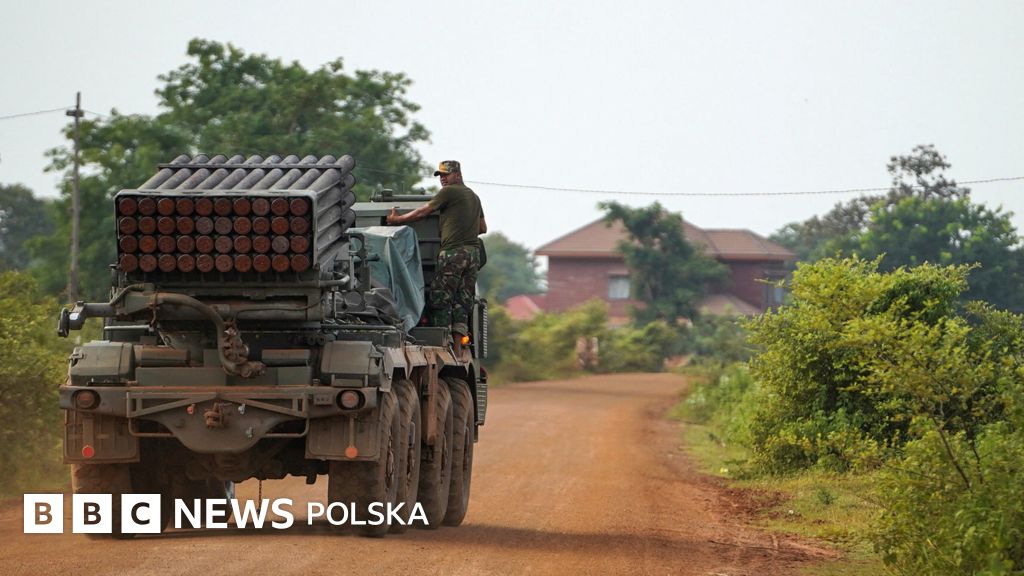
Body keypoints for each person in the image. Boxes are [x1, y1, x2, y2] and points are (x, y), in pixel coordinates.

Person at [387, 160, 486, 356]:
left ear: (458, 175)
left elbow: (424, 211)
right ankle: (458, 348)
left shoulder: (449, 192)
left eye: (446, 174)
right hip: (472, 255)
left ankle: (443, 347)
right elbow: (483, 228)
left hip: (453, 253)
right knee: (462, 301)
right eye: (440, 175)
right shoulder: (473, 197)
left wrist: (397, 220)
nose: (443, 179)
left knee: (441, 298)